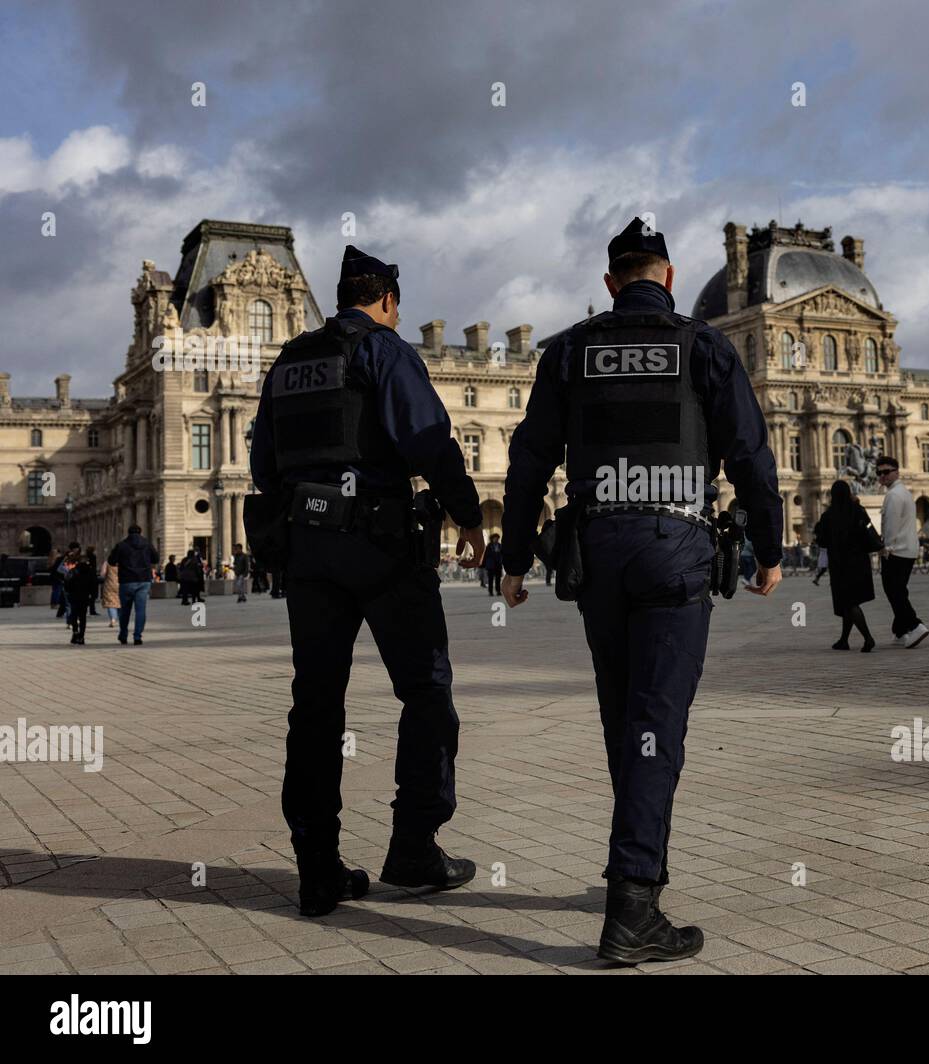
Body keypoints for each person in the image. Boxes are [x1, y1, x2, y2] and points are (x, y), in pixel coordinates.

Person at [498, 218, 783, 964]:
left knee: (624, 716)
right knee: (657, 721)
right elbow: (751, 457)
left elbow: (529, 461)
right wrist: (768, 550)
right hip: (674, 545)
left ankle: (638, 866)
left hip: (596, 549)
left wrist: (516, 557)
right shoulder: (704, 347)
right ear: (671, 276)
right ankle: (631, 903)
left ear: (610, 283)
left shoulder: (568, 351)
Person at [249, 243, 485, 918]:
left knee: (316, 708)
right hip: (381, 545)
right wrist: (467, 517)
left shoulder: (290, 362)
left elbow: (265, 464)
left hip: (308, 551)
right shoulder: (385, 351)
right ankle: (413, 843)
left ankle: (317, 868)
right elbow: (429, 441)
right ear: (386, 302)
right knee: (426, 691)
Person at [813, 480, 877, 651]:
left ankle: (868, 638)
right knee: (848, 602)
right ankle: (844, 640)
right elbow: (868, 533)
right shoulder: (858, 511)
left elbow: (822, 541)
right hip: (860, 563)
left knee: (849, 602)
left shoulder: (829, 516)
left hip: (840, 564)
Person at [876, 456, 928, 647]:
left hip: (896, 551)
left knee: (894, 592)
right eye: (879, 472)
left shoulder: (893, 495)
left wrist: (886, 550)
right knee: (898, 590)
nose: (882, 476)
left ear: (896, 472)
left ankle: (915, 625)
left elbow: (891, 526)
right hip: (908, 549)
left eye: (886, 471)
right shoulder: (903, 492)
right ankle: (899, 632)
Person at [108, 524, 158, 644]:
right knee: (140, 610)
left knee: (125, 610)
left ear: (128, 532)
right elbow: (155, 559)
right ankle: (137, 636)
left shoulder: (121, 545)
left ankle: (123, 634)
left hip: (126, 580)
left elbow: (111, 561)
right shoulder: (147, 544)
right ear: (140, 532)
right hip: (144, 580)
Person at [64, 546, 98, 645]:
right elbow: (94, 584)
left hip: (74, 596)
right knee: (83, 616)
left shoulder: (73, 571)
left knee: (74, 615)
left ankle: (75, 632)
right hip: (85, 596)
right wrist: (93, 595)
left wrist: (69, 592)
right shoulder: (91, 572)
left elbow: (67, 584)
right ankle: (81, 637)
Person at [101, 557, 120, 628]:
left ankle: (113, 619)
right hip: (121, 584)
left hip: (109, 584)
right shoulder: (123, 561)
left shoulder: (107, 562)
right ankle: (121, 619)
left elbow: (102, 574)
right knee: (120, 602)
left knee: (110, 602)